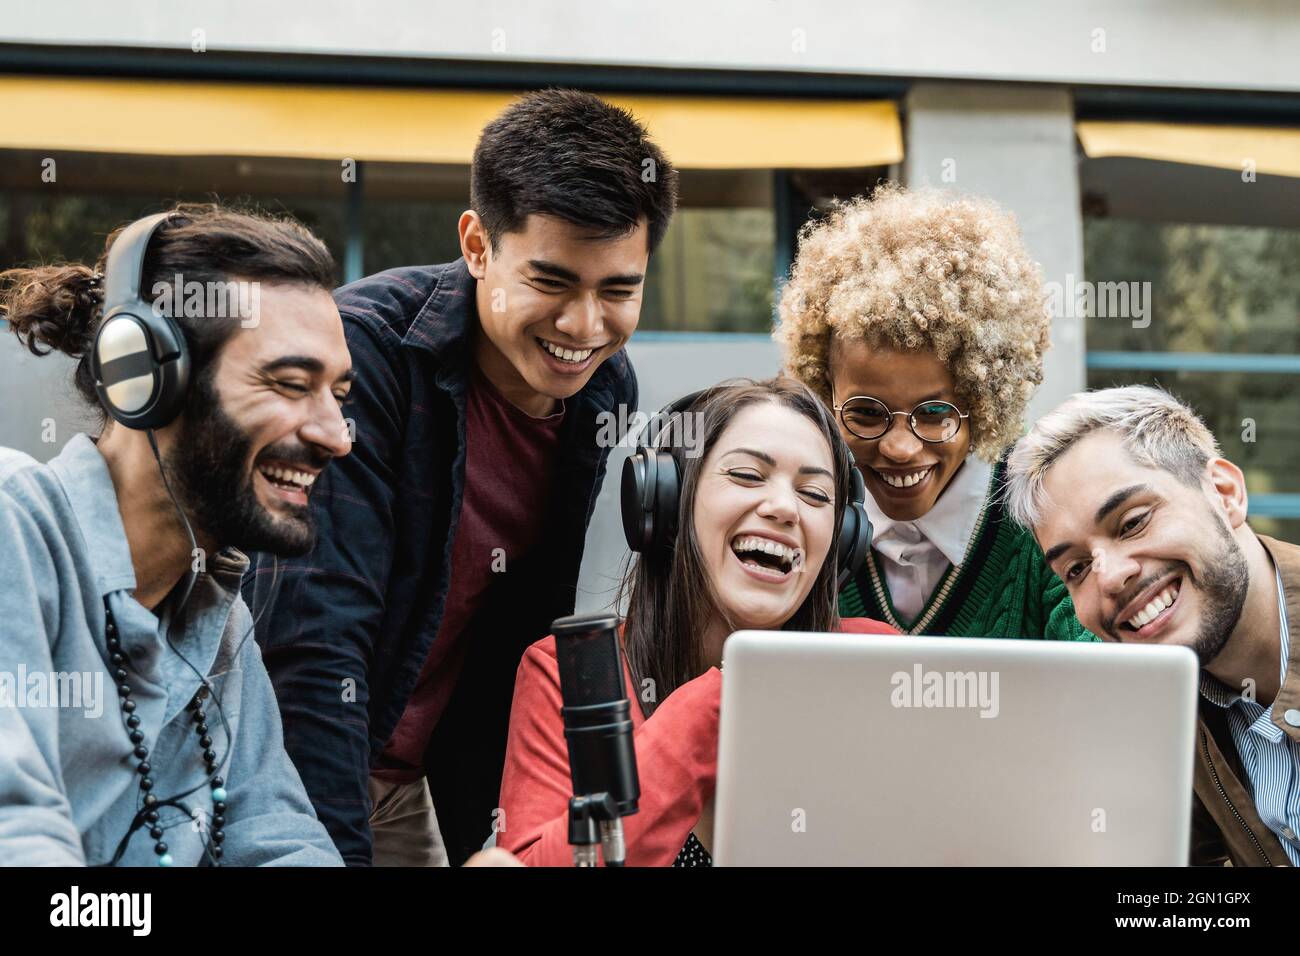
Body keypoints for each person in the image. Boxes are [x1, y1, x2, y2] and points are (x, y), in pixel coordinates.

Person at [247, 88, 679, 865]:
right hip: (283, 766)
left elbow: (521, 630)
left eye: (619, 289)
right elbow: (315, 637)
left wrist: (505, 829)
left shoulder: (605, 387)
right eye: (551, 281)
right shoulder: (363, 356)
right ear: (478, 246)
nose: (585, 327)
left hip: (417, 781)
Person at [0, 204, 348, 865]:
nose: (337, 435)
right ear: (147, 379)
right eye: (291, 384)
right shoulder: (12, 525)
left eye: (340, 394)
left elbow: (279, 840)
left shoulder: (219, 615)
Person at [497, 378, 896, 866]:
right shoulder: (579, 673)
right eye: (747, 475)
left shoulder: (873, 663)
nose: (784, 508)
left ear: (841, 539)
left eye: (814, 494)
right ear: (668, 502)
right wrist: (716, 703)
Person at [776, 184, 1093, 641]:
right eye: (866, 413)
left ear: (983, 401)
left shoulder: (1048, 511)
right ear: (826, 393)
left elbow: (1104, 670)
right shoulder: (795, 512)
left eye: (934, 413)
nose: (900, 448)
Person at [1005, 384, 1300, 867]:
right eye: (1076, 568)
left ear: (1225, 494)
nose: (1109, 577)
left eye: (1133, 522)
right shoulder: (1169, 715)